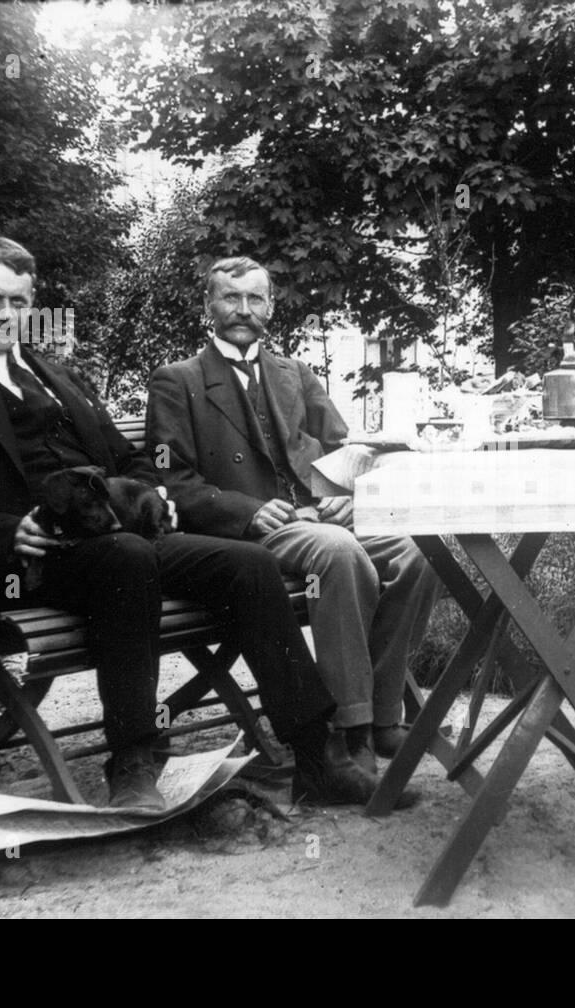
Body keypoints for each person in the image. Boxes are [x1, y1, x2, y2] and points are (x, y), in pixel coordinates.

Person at [0, 237, 393, 813]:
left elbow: (125, 461)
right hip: (27, 558)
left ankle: (314, 757)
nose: (6, 315)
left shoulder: (56, 378)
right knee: (126, 557)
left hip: (113, 538)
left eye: (19, 302)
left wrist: (155, 494)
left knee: (248, 563)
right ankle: (132, 760)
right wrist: (6, 533)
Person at [146, 256, 441, 774]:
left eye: (254, 298)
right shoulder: (178, 381)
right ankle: (350, 731)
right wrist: (249, 510)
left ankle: (382, 714)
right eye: (229, 298)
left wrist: (350, 493)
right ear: (207, 306)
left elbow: (346, 451)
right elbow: (170, 479)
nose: (243, 310)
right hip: (249, 535)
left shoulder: (295, 373)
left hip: (317, 516)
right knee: (339, 552)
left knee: (420, 552)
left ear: (271, 307)